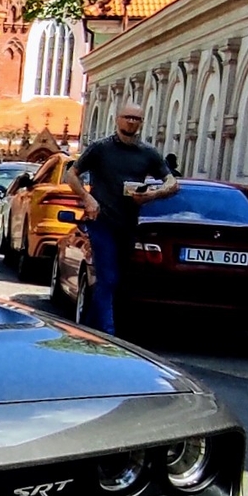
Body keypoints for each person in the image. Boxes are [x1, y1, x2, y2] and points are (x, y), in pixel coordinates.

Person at [71, 103, 179, 334]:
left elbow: (172, 183)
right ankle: (108, 335)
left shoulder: (147, 153)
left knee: (115, 281)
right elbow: (71, 175)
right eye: (128, 117)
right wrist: (87, 199)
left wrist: (152, 195)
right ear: (117, 119)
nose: (132, 122)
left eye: (137, 119)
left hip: (128, 225)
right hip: (101, 222)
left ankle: (88, 330)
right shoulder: (100, 148)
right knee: (108, 278)